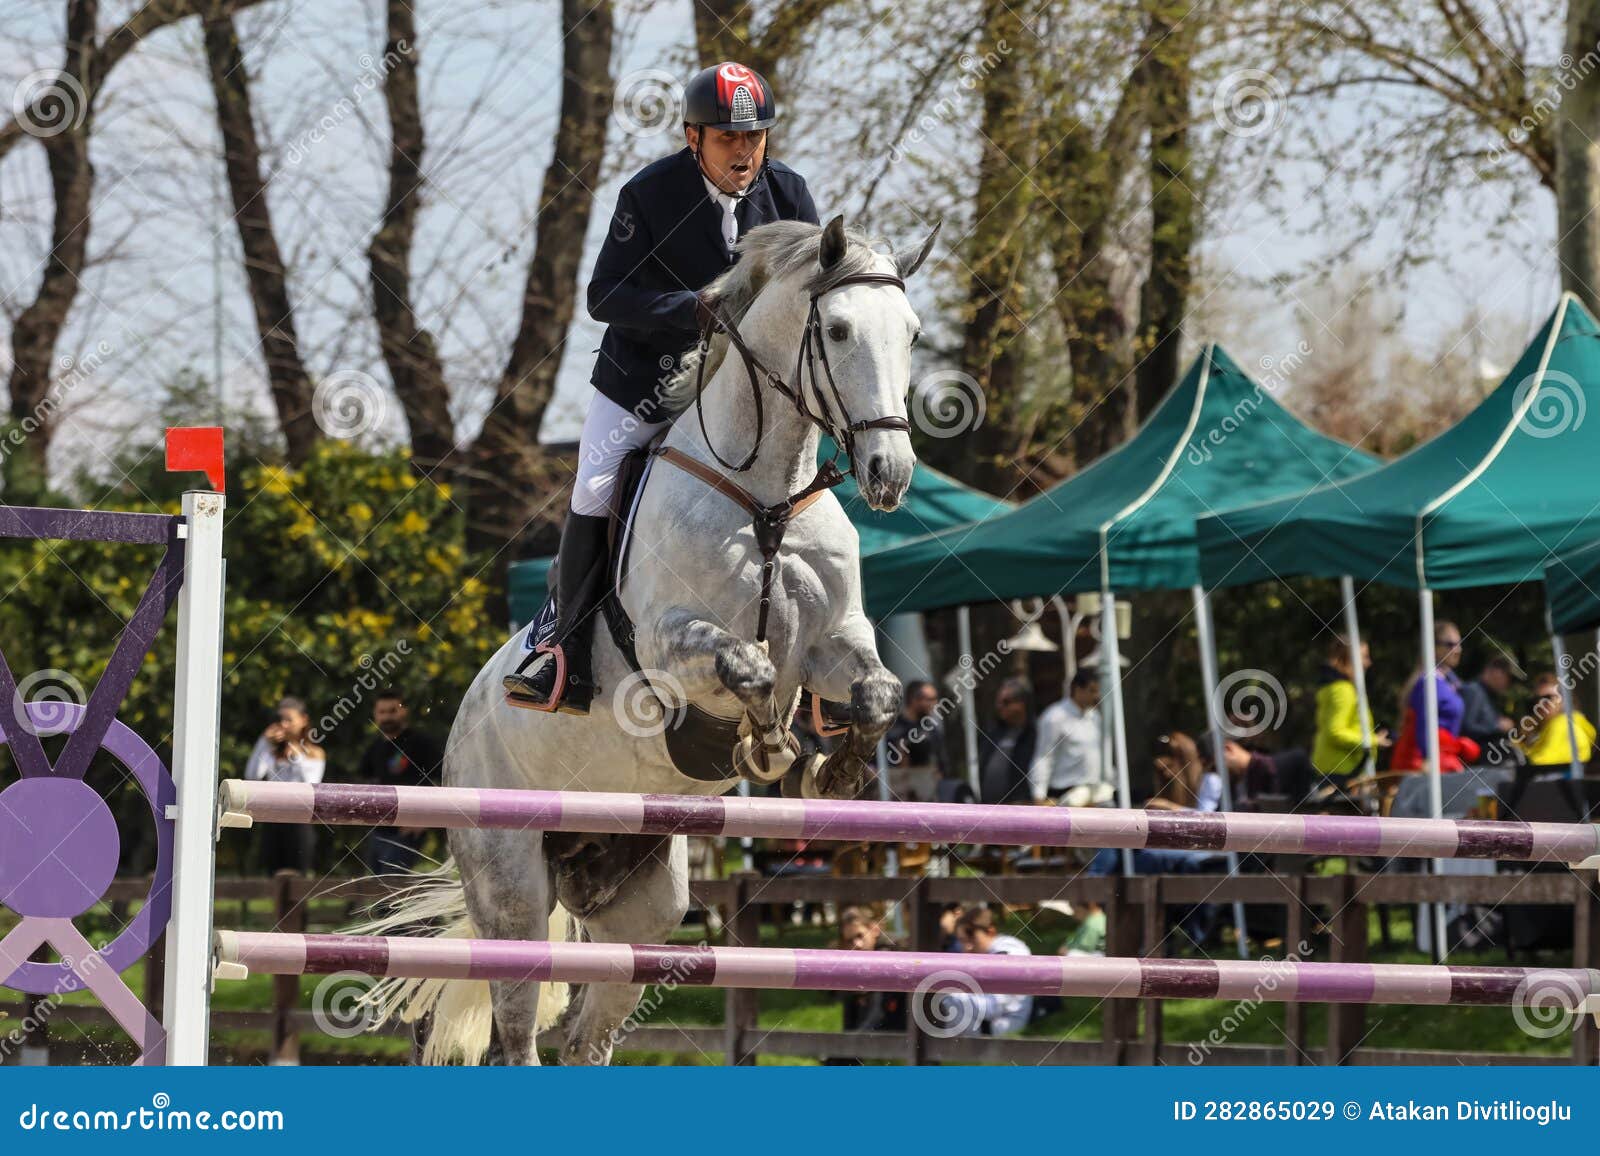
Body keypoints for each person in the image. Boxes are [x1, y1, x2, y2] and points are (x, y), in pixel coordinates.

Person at [504, 62, 818, 714]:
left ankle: (821, 664)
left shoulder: (789, 195)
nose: (745, 151)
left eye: (755, 136)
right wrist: (688, 309)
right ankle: (562, 650)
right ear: (691, 136)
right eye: (729, 138)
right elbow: (604, 296)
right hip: (648, 380)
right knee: (594, 485)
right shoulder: (648, 195)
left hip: (748, 391)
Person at [358, 690, 445, 874]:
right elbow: (364, 781)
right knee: (378, 890)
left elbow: (441, 780)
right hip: (380, 830)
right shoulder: (374, 748)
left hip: (408, 827)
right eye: (382, 712)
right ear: (375, 714)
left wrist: (423, 819)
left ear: (404, 711)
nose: (387, 716)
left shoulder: (421, 743)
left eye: (392, 710)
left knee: (390, 884)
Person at [243, 697, 325, 874]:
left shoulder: (315, 753)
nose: (284, 724)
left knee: (298, 878)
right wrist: (263, 742)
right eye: (281, 720)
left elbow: (313, 786)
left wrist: (297, 758)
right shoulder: (271, 752)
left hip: (299, 820)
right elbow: (252, 776)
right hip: (273, 818)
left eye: (289, 719)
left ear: (303, 720)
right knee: (275, 877)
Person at [824, 907, 907, 1063]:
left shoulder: (890, 949)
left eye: (860, 936)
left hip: (901, 1020)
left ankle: (847, 1051)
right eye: (850, 940)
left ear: (874, 930)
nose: (857, 944)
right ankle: (846, 1050)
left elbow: (877, 1013)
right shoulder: (857, 958)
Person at [941, 906, 1032, 1037]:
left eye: (971, 936)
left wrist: (948, 993)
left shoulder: (1008, 950)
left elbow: (992, 1007)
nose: (968, 946)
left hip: (1000, 1024)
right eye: (962, 940)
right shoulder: (992, 952)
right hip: (991, 1020)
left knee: (946, 997)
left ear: (990, 931)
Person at [1028, 670, 1112, 806]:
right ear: (1078, 689)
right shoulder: (1054, 717)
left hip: (1093, 791)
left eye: (1097, 691)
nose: (1097, 696)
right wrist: (1039, 795)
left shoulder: (1095, 717)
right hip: (1064, 793)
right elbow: (1043, 757)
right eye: (1092, 691)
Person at [1311, 635, 1388, 781]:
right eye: (1364, 657)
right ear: (1347, 659)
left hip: (1337, 768)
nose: (1368, 663)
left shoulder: (1336, 687)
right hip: (1341, 771)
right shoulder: (1343, 690)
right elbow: (1336, 732)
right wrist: (1372, 740)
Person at [1514, 672, 1595, 774]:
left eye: (1548, 698)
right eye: (1537, 699)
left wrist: (1515, 755)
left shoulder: (1566, 724)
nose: (1540, 704)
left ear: (1563, 699)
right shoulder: (1537, 727)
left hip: (1560, 786)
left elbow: (1541, 762)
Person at [883, 680, 948, 800]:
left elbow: (942, 767)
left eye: (935, 698)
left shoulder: (932, 731)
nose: (934, 703)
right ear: (914, 699)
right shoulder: (890, 729)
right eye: (930, 699)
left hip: (926, 796)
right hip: (894, 795)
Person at [977, 677, 1036, 805]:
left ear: (1022, 703)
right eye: (998, 702)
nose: (1000, 706)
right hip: (990, 808)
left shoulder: (1035, 733)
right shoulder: (993, 732)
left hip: (1022, 808)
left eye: (1006, 702)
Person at [1459, 654, 1516, 763]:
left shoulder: (1489, 695)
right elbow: (1466, 728)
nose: (1509, 684)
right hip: (1475, 764)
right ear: (1496, 672)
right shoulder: (1473, 691)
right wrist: (1497, 727)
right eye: (1509, 677)